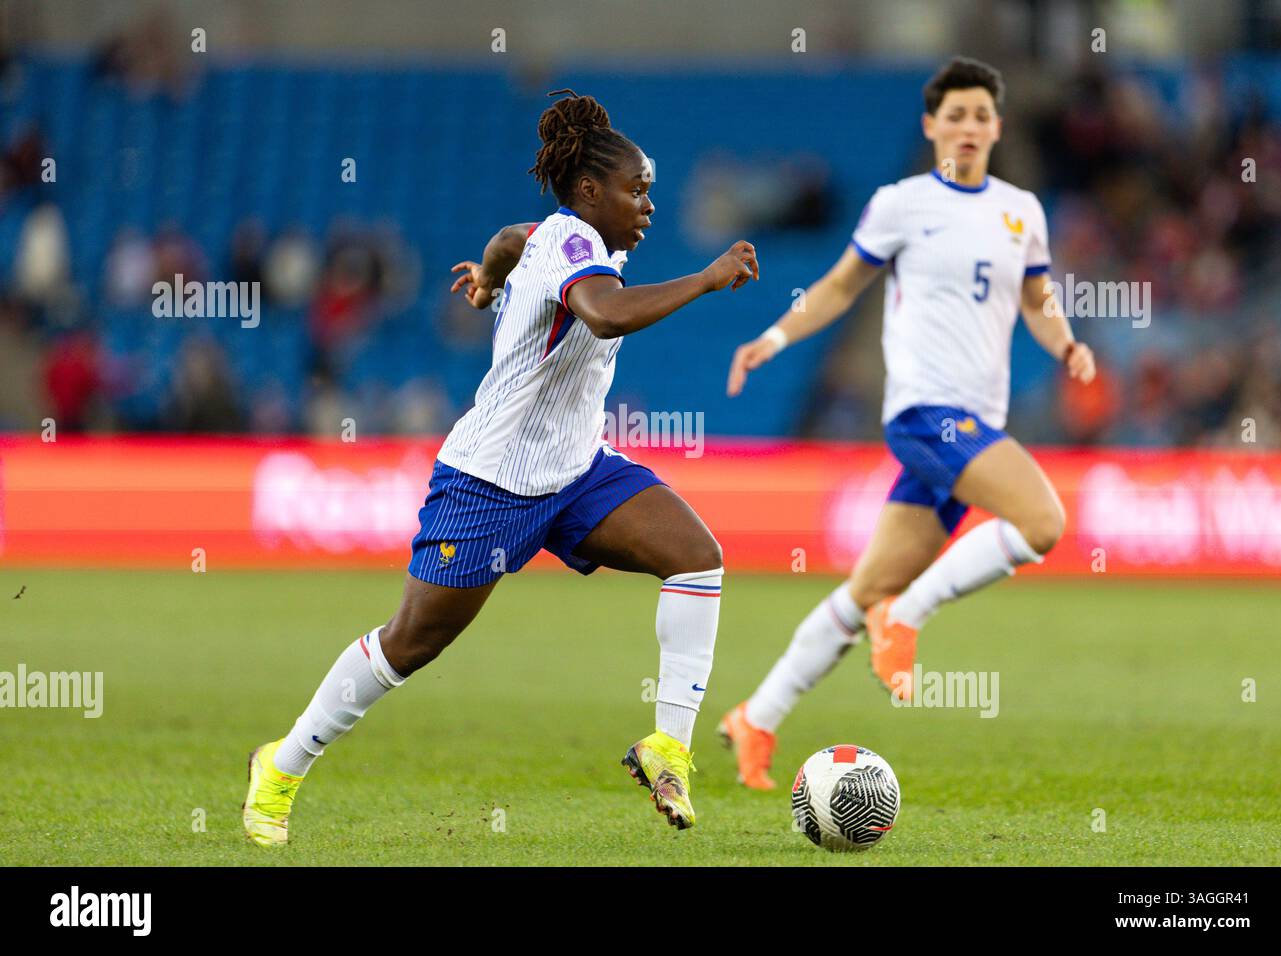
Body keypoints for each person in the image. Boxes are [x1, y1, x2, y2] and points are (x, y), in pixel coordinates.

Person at [242, 91, 759, 841]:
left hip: (575, 471)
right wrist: (707, 279)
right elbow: (606, 314)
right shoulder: (574, 246)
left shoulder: (564, 238)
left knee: (697, 559)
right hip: (490, 483)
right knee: (411, 643)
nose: (648, 204)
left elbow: (509, 238)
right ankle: (281, 766)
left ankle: (668, 746)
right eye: (636, 190)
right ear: (589, 193)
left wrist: (486, 279)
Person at [719, 57, 1096, 789]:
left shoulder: (1021, 210)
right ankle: (911, 614)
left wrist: (1068, 343)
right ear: (930, 126)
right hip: (926, 412)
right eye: (953, 115)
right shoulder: (901, 203)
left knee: (862, 590)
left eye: (980, 115)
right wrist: (772, 338)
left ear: (997, 126)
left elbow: (1037, 302)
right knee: (1043, 523)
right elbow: (838, 287)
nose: (967, 127)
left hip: (976, 422)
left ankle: (756, 717)